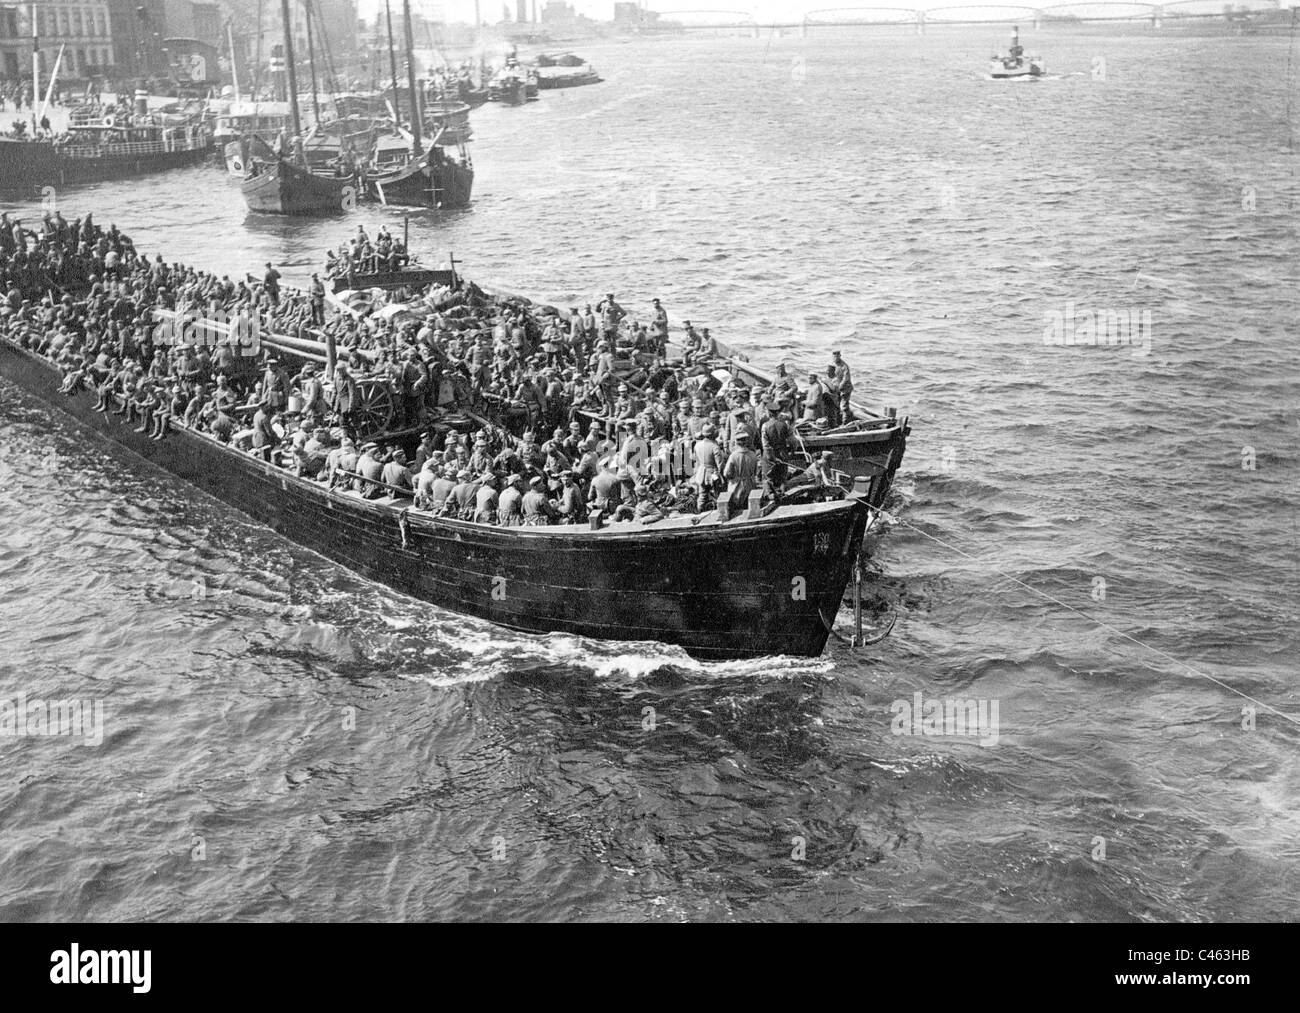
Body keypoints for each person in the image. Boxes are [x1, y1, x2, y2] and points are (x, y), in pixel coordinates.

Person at [722, 430, 758, 513]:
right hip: (750, 486)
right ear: (746, 441)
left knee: (735, 512)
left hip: (736, 488)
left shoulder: (733, 456)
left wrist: (733, 477)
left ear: (736, 442)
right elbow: (755, 472)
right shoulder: (753, 455)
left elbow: (726, 473)